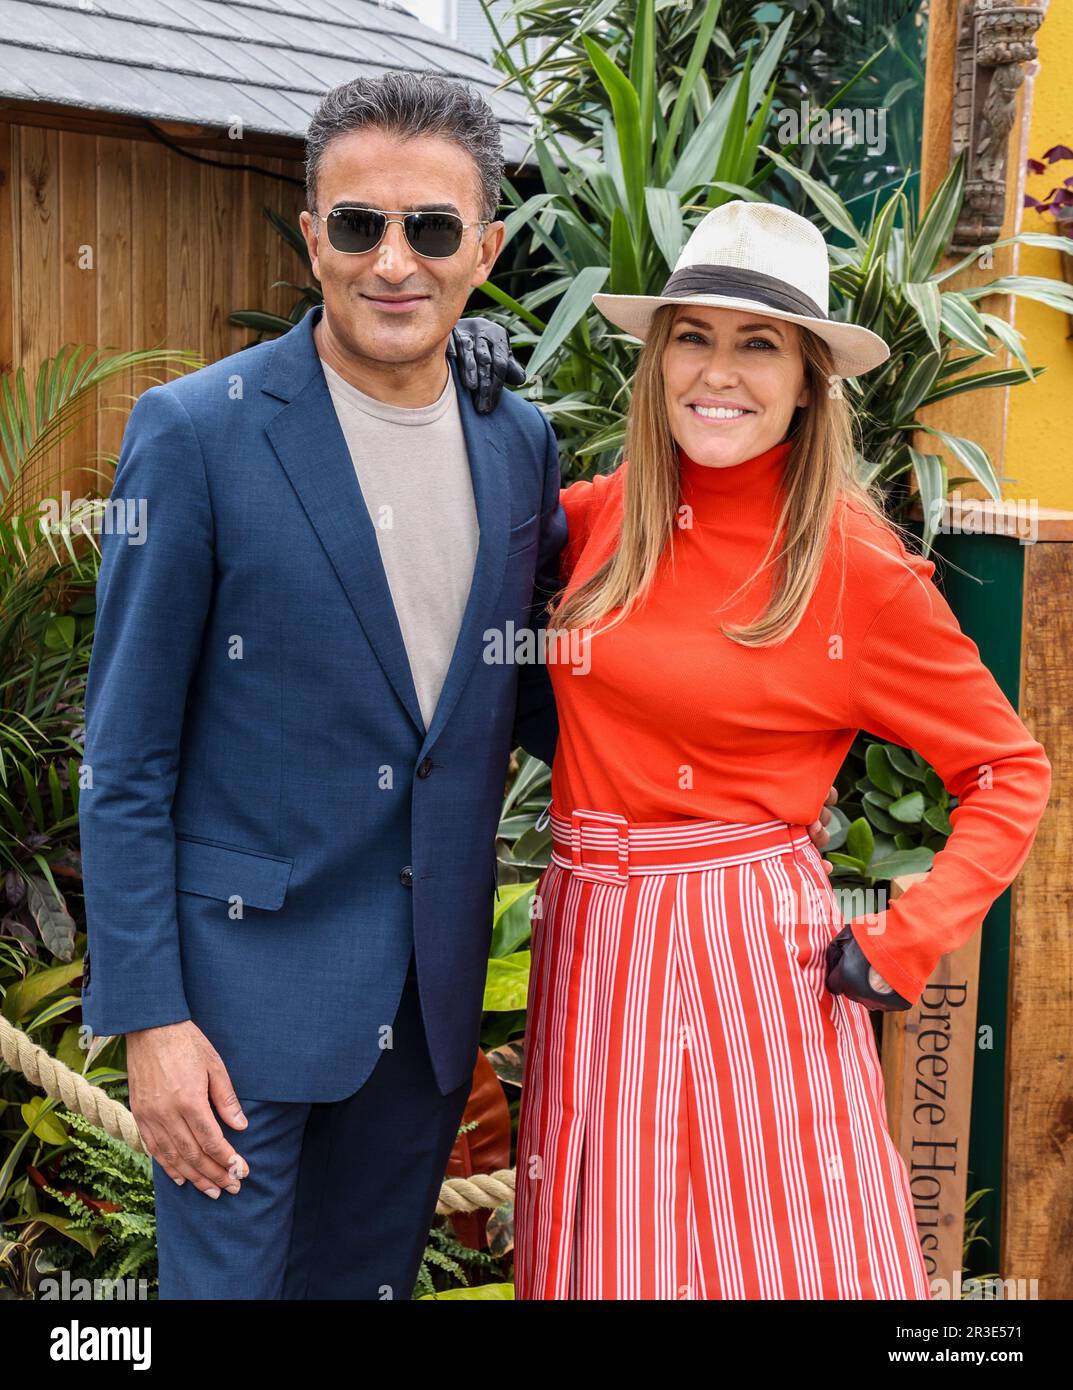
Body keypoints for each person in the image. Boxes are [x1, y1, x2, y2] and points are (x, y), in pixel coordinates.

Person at [76, 71, 569, 1301]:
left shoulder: (520, 441)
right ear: (311, 238)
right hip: (231, 1018)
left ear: (485, 249)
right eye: (357, 225)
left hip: (424, 1007)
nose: (392, 261)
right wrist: (150, 1021)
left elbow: (535, 700)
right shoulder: (195, 432)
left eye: (431, 229)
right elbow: (124, 754)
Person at [511, 199, 1052, 1300]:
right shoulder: (599, 515)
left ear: (809, 378)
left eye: (759, 343)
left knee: (775, 1260)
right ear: (657, 359)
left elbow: (1008, 772)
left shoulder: (852, 568)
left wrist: (905, 942)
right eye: (694, 336)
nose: (720, 370)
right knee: (606, 1263)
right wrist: (454, 401)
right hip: (586, 934)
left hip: (741, 948)